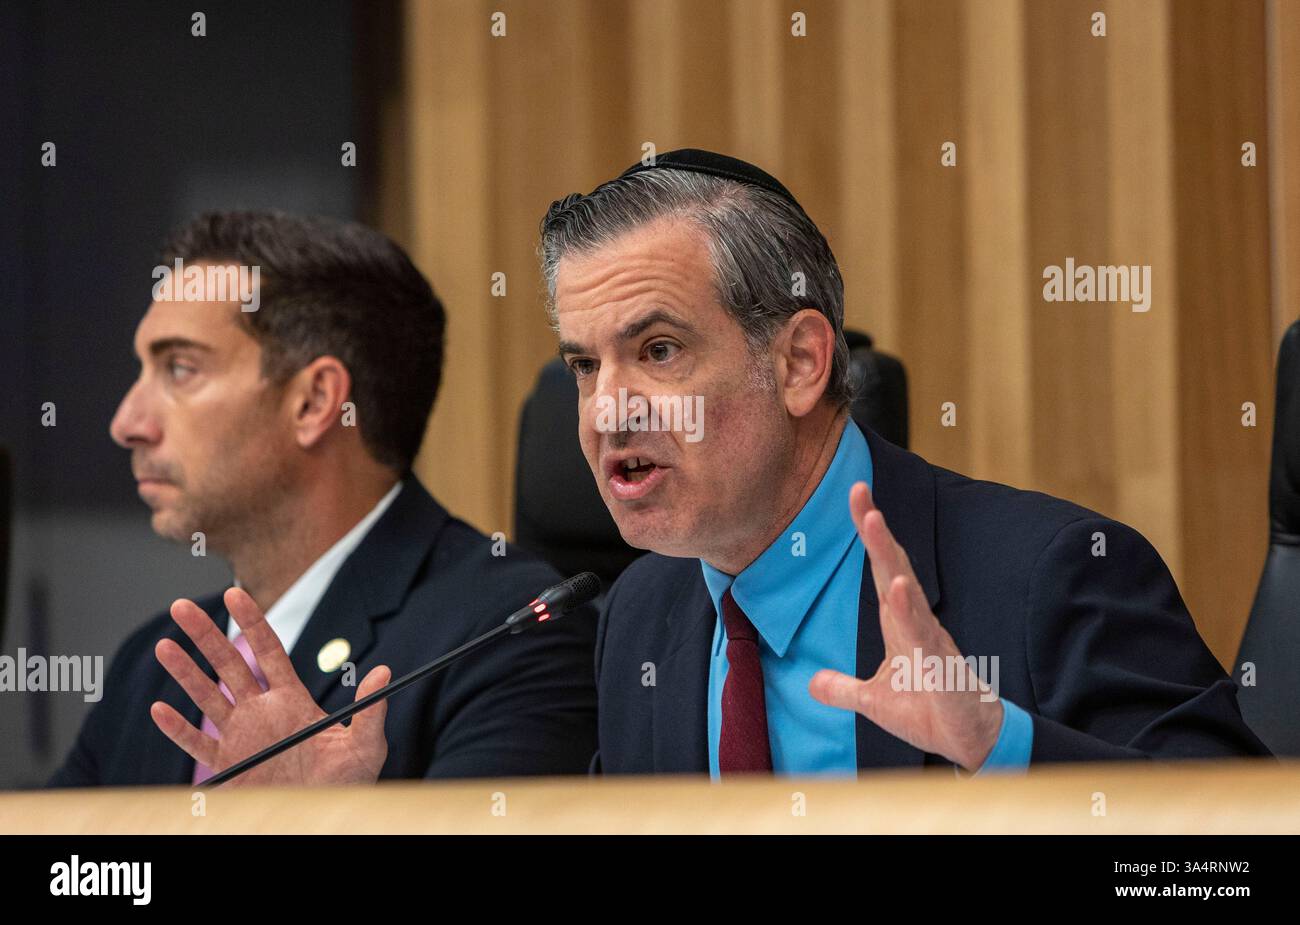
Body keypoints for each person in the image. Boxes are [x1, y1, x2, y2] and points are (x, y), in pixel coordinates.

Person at [152, 152, 1270, 785]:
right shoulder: (639, 615)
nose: (606, 410)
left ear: (796, 362)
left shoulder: (1047, 576)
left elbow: (1230, 863)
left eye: (657, 349)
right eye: (582, 364)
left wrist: (1003, 749)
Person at [48, 211, 597, 787]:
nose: (127, 423)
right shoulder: (155, 664)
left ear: (313, 402)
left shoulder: (511, 637)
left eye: (179, 368)